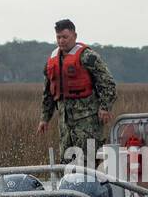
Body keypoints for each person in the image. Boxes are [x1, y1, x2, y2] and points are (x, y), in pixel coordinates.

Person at [37, 19, 116, 160]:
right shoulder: (52, 60)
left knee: (89, 161)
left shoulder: (88, 56)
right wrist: (45, 118)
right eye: (58, 37)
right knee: (66, 162)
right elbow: (48, 92)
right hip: (64, 124)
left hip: (88, 122)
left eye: (65, 37)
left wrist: (105, 107)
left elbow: (108, 83)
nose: (61, 41)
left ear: (74, 36)